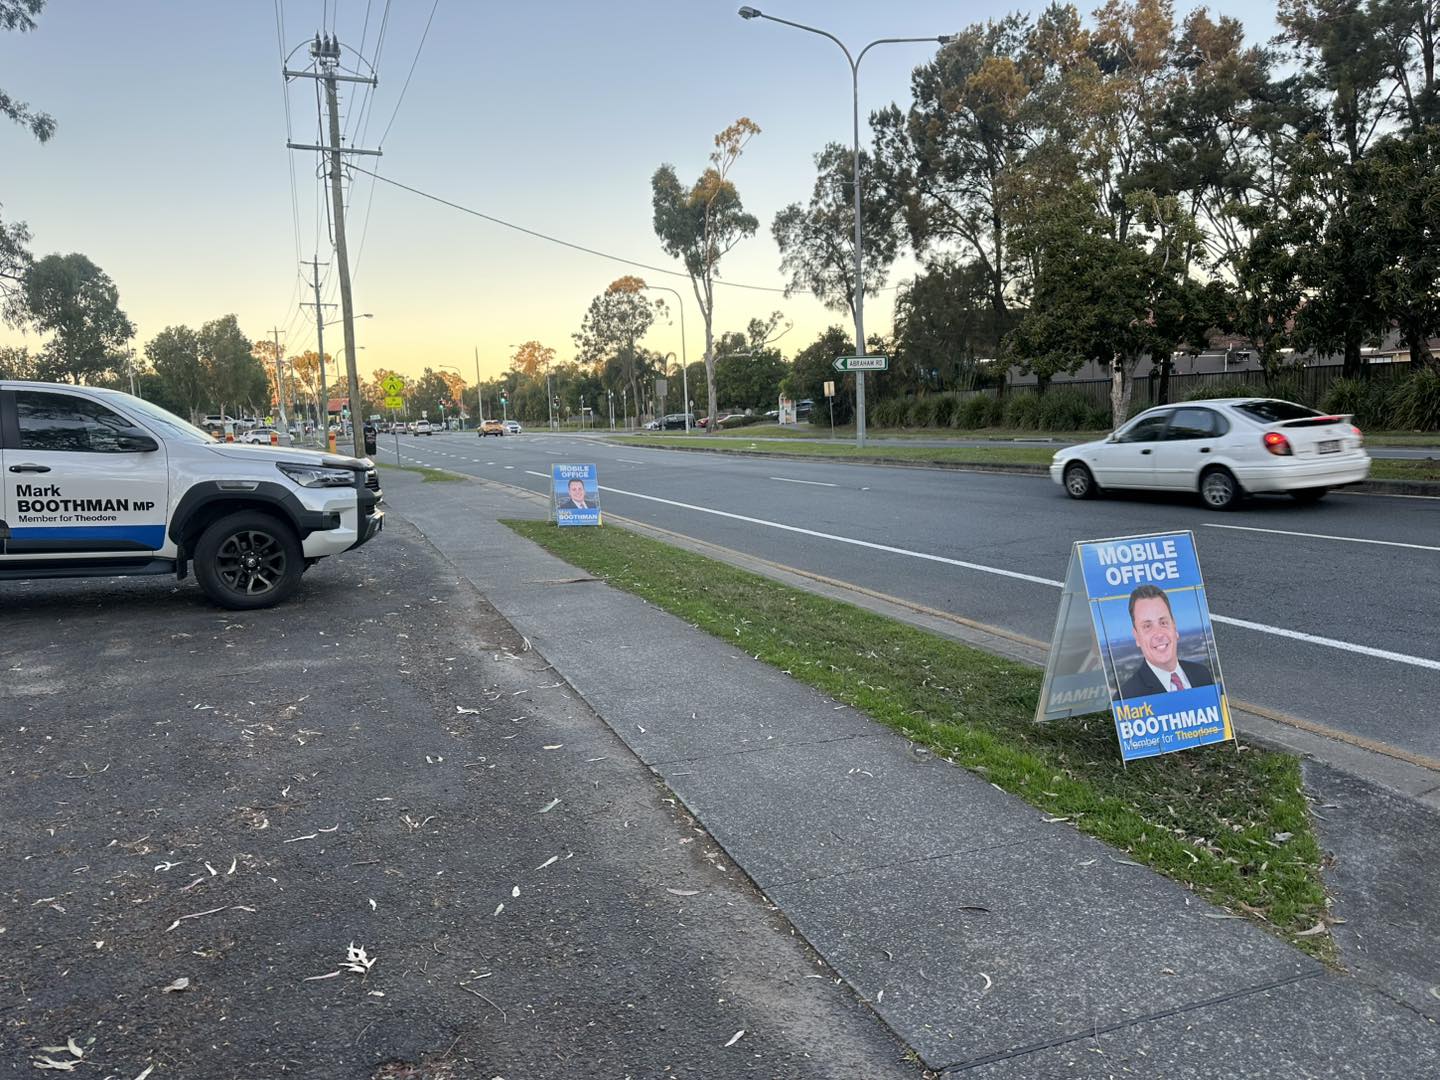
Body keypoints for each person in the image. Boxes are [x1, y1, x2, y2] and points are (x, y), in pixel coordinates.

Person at [1118, 584, 1214, 699]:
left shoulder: (1202, 674)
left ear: (1174, 626)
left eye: (1163, 623)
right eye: (1147, 626)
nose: (1158, 634)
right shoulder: (1127, 697)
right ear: (1137, 637)